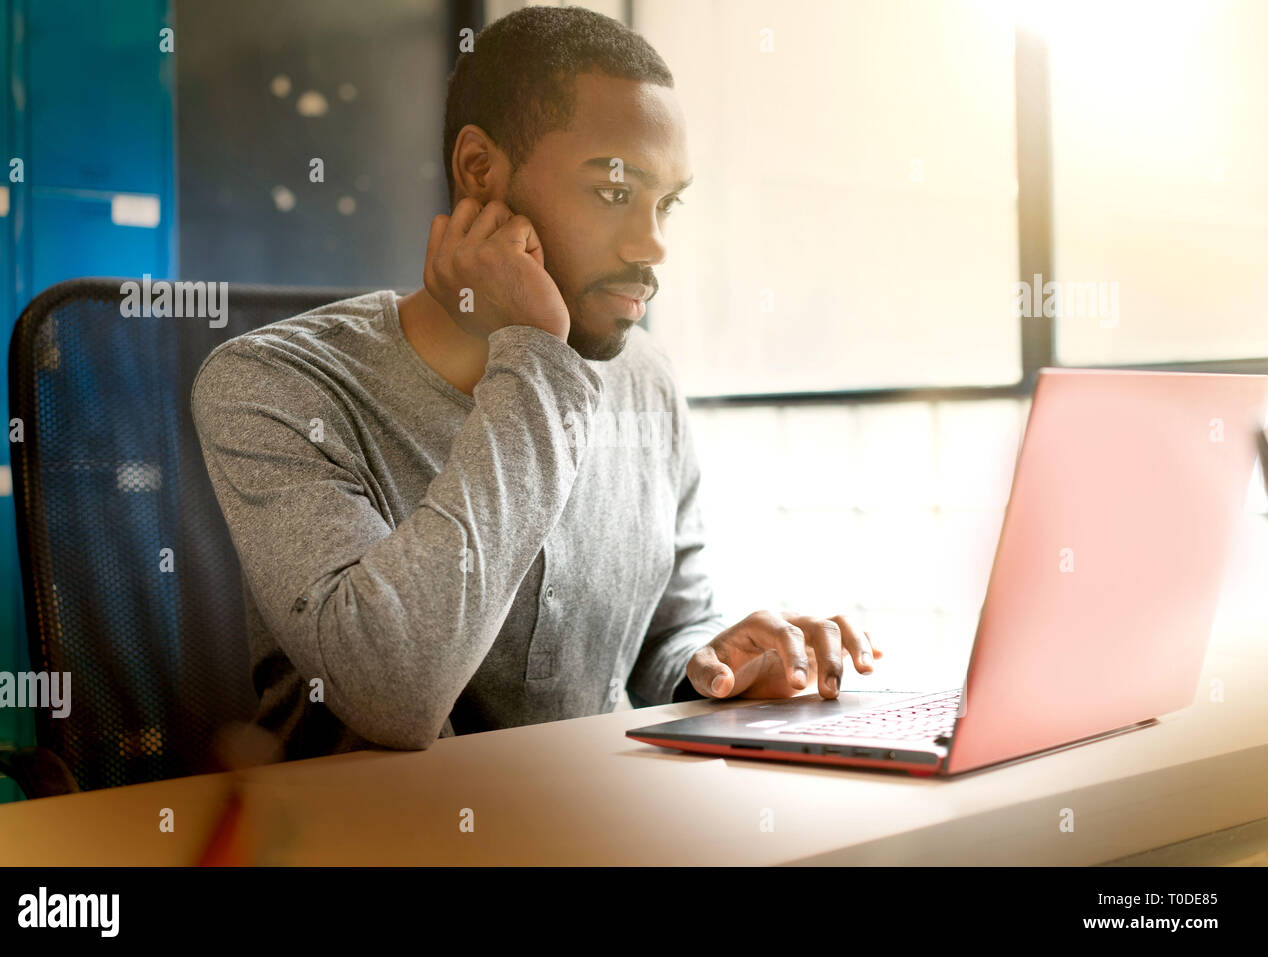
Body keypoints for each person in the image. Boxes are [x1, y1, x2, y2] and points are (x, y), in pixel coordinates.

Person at [192, 5, 880, 759]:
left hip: (588, 823)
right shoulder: (272, 385)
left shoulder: (645, 380)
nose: (654, 244)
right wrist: (535, 357)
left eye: (667, 203)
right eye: (615, 191)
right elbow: (395, 691)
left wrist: (717, 664)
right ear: (480, 171)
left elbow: (665, 633)